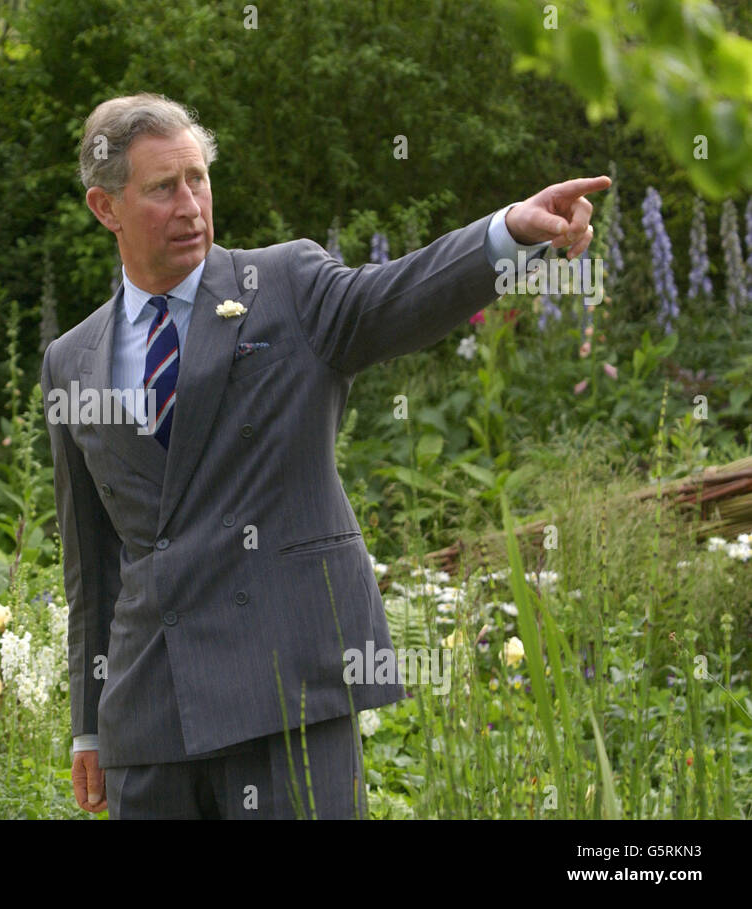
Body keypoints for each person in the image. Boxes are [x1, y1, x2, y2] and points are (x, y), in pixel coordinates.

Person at [41, 93, 607, 818]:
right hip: (151, 717)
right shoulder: (71, 360)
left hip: (285, 693)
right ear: (105, 206)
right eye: (162, 187)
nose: (191, 205)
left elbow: (397, 296)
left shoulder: (286, 286)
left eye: (198, 179)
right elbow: (91, 564)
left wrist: (505, 237)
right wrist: (89, 724)